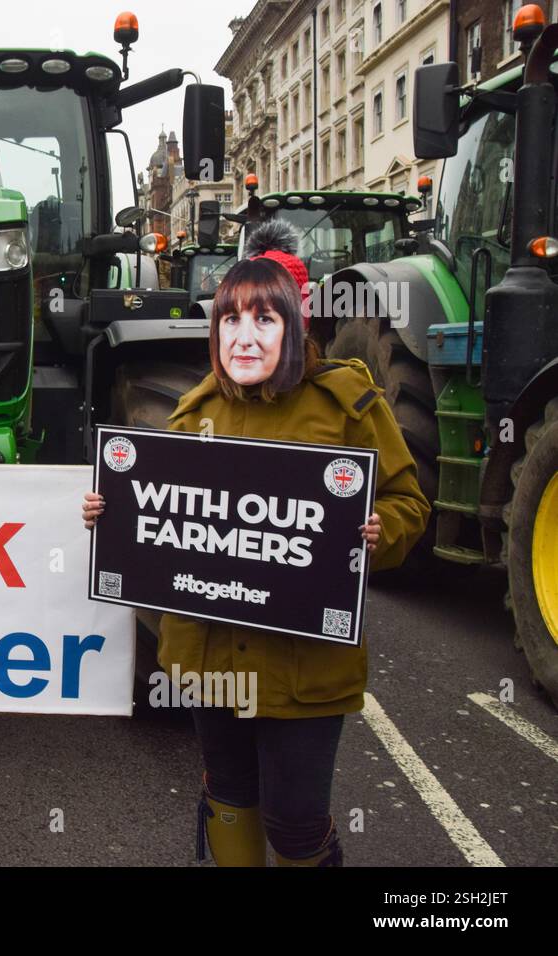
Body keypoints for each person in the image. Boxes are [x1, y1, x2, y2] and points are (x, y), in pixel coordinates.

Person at [82, 223, 430, 866]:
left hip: (305, 664)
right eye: (230, 320)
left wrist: (382, 533)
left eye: (264, 319)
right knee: (229, 796)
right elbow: (155, 518)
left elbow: (408, 503)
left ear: (294, 328)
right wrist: (110, 512)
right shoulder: (190, 411)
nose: (244, 336)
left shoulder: (348, 406)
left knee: (295, 822)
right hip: (211, 658)